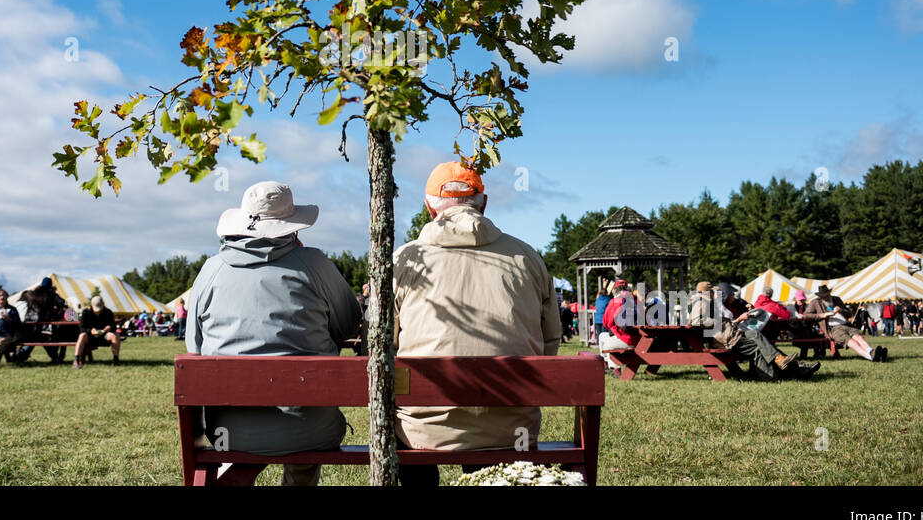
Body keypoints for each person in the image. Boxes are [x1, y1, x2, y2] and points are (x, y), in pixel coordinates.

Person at [393, 162, 561, 485]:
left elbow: (383, 347)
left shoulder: (404, 261)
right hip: (511, 428)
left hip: (421, 429)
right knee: (489, 435)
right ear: (483, 204)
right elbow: (550, 341)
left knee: (410, 431)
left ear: (429, 207)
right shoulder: (527, 258)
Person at [187, 180, 361, 486]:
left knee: (240, 442)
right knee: (304, 441)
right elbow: (349, 325)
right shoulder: (314, 264)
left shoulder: (210, 270)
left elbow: (195, 345)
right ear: (292, 227)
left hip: (229, 431)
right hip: (309, 427)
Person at [688, 283, 817, 381]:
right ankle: (783, 372)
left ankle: (781, 363)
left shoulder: (711, 303)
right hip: (728, 340)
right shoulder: (703, 302)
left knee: (757, 338)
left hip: (732, 335)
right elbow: (697, 322)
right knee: (758, 345)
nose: (715, 294)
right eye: (713, 292)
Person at [803, 286, 886, 362]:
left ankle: (872, 352)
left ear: (829, 293)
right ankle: (871, 357)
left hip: (846, 324)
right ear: (820, 296)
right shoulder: (815, 302)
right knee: (852, 342)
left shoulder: (836, 299)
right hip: (834, 328)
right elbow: (806, 315)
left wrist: (841, 310)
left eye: (827, 295)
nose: (826, 298)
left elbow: (849, 313)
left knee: (859, 337)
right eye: (824, 296)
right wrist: (823, 315)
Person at [22, 277, 69, 363]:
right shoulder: (52, 295)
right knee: (47, 338)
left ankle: (22, 356)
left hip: (30, 324)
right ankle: (55, 357)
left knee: (34, 338)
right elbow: (64, 303)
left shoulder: (32, 294)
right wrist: (56, 312)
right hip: (45, 323)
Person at [598, 280, 641, 369]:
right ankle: (608, 364)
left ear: (615, 289)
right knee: (603, 337)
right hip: (640, 340)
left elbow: (606, 322)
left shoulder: (615, 301)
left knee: (605, 341)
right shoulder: (636, 300)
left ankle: (613, 367)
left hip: (625, 339)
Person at [74, 295, 121, 367]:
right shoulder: (86, 312)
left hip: (104, 335)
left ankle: (116, 360)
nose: (98, 312)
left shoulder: (108, 312)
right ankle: (76, 360)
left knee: (116, 335)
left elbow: (113, 326)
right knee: (82, 335)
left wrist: (109, 328)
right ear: (91, 306)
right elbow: (82, 328)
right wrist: (90, 331)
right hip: (90, 336)